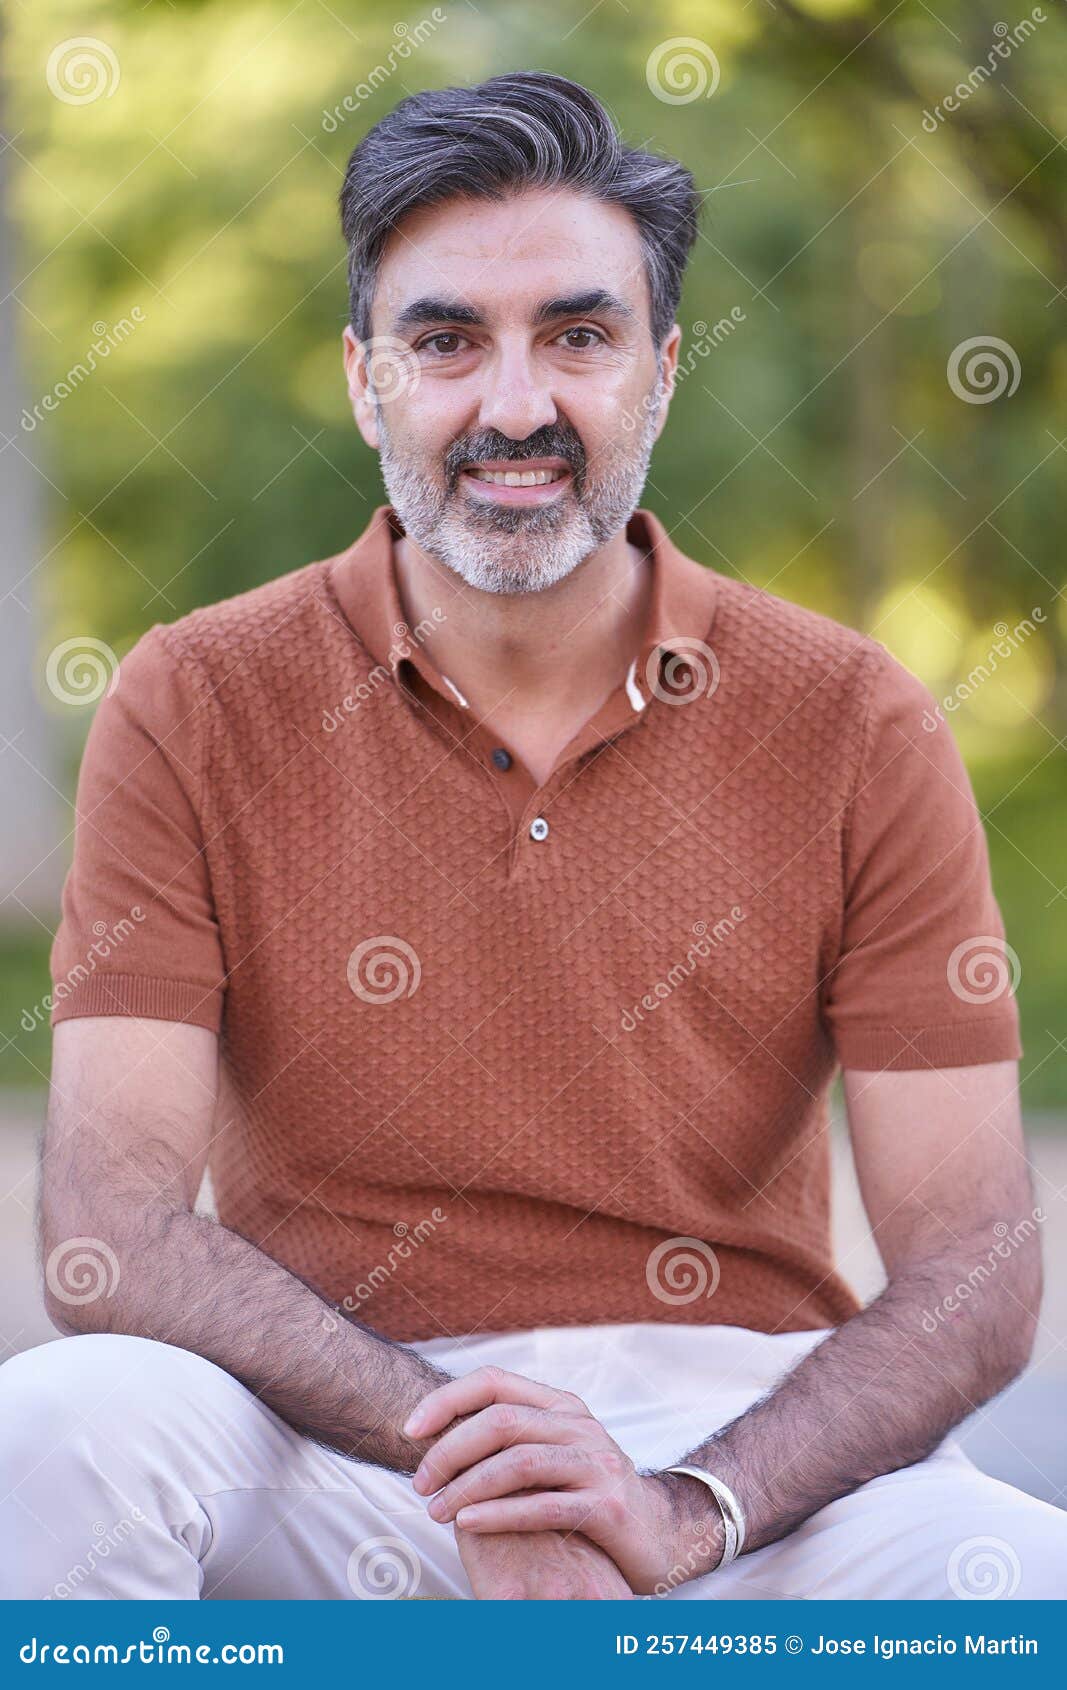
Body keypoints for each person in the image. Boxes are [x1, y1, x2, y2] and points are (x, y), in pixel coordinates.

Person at [2, 71, 1064, 1602]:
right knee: (49, 1432)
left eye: (577, 336)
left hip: (738, 1444)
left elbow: (978, 1266)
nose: (514, 407)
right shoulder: (195, 696)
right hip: (336, 1432)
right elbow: (110, 1227)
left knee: (1025, 1585)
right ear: (366, 380)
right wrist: (476, 1449)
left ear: (664, 370)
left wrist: (684, 1503)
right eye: (446, 342)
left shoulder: (858, 718)